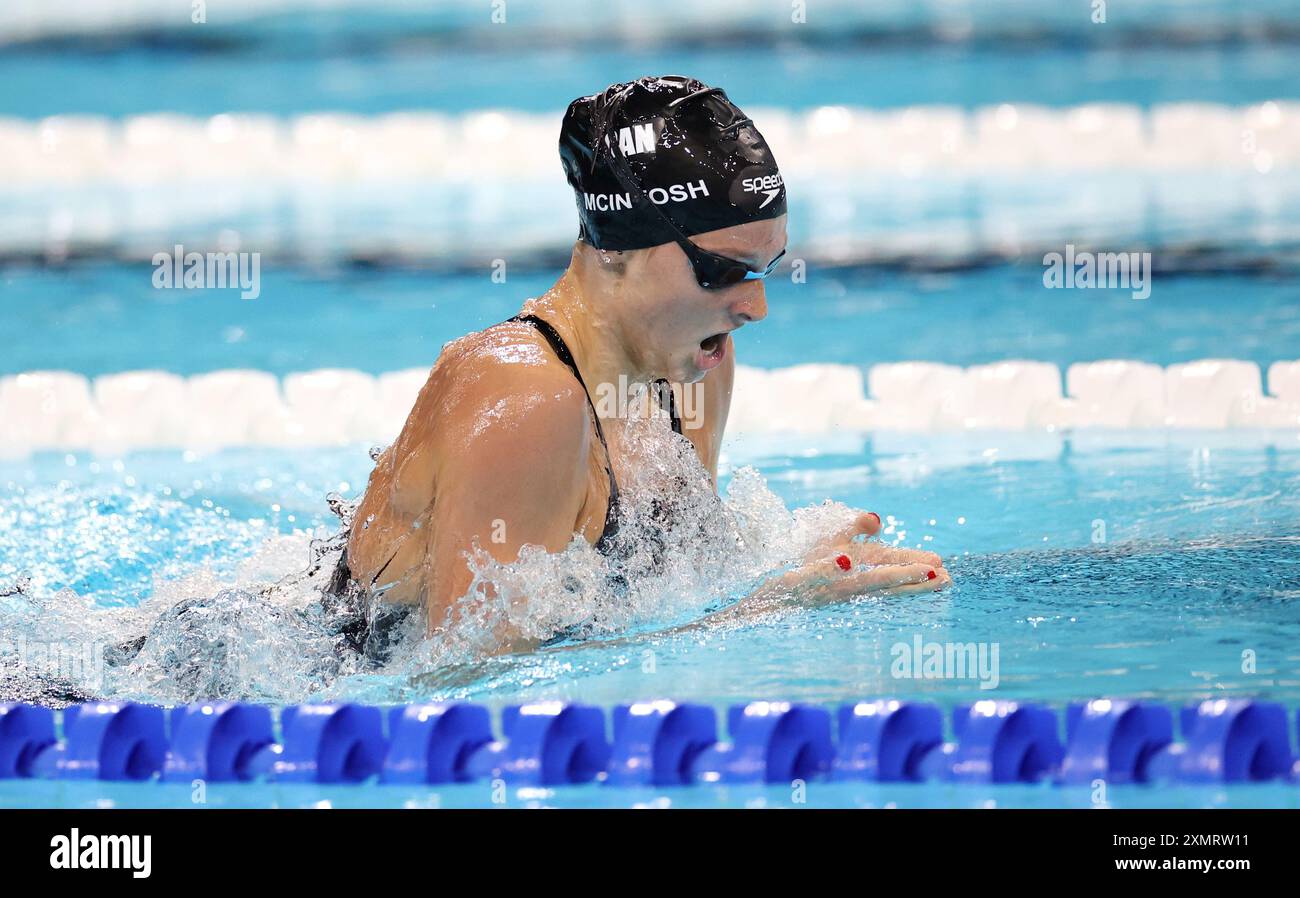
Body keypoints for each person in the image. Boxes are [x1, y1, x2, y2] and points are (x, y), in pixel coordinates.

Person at [338, 75, 951, 656]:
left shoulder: (692, 371)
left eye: (765, 270)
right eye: (723, 270)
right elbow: (465, 677)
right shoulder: (527, 398)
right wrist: (762, 611)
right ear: (619, 250)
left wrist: (792, 570)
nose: (756, 308)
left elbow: (683, 586)